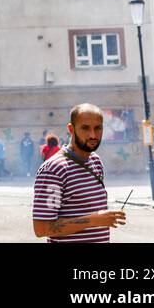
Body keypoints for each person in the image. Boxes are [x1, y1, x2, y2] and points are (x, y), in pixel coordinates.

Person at [31, 104, 126, 243]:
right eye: (85, 128)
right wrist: (94, 220)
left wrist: (104, 218)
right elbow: (41, 228)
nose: (93, 135)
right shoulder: (54, 170)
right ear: (71, 129)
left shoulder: (95, 161)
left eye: (97, 128)